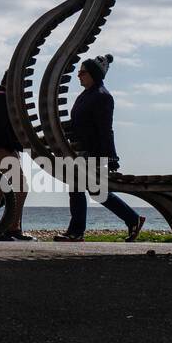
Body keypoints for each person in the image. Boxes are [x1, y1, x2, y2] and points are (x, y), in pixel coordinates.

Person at [54, 53, 146, 243]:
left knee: (84, 190)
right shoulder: (86, 95)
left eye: (83, 72)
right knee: (92, 191)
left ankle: (76, 231)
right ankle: (133, 219)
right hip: (80, 151)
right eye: (79, 72)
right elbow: (77, 123)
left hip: (93, 152)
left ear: (93, 74)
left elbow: (106, 129)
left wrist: (111, 157)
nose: (78, 75)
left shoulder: (102, 97)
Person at [0, 72, 34, 240]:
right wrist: (23, 145)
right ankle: (11, 228)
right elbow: (4, 130)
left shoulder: (3, 98)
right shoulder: (1, 99)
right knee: (20, 187)